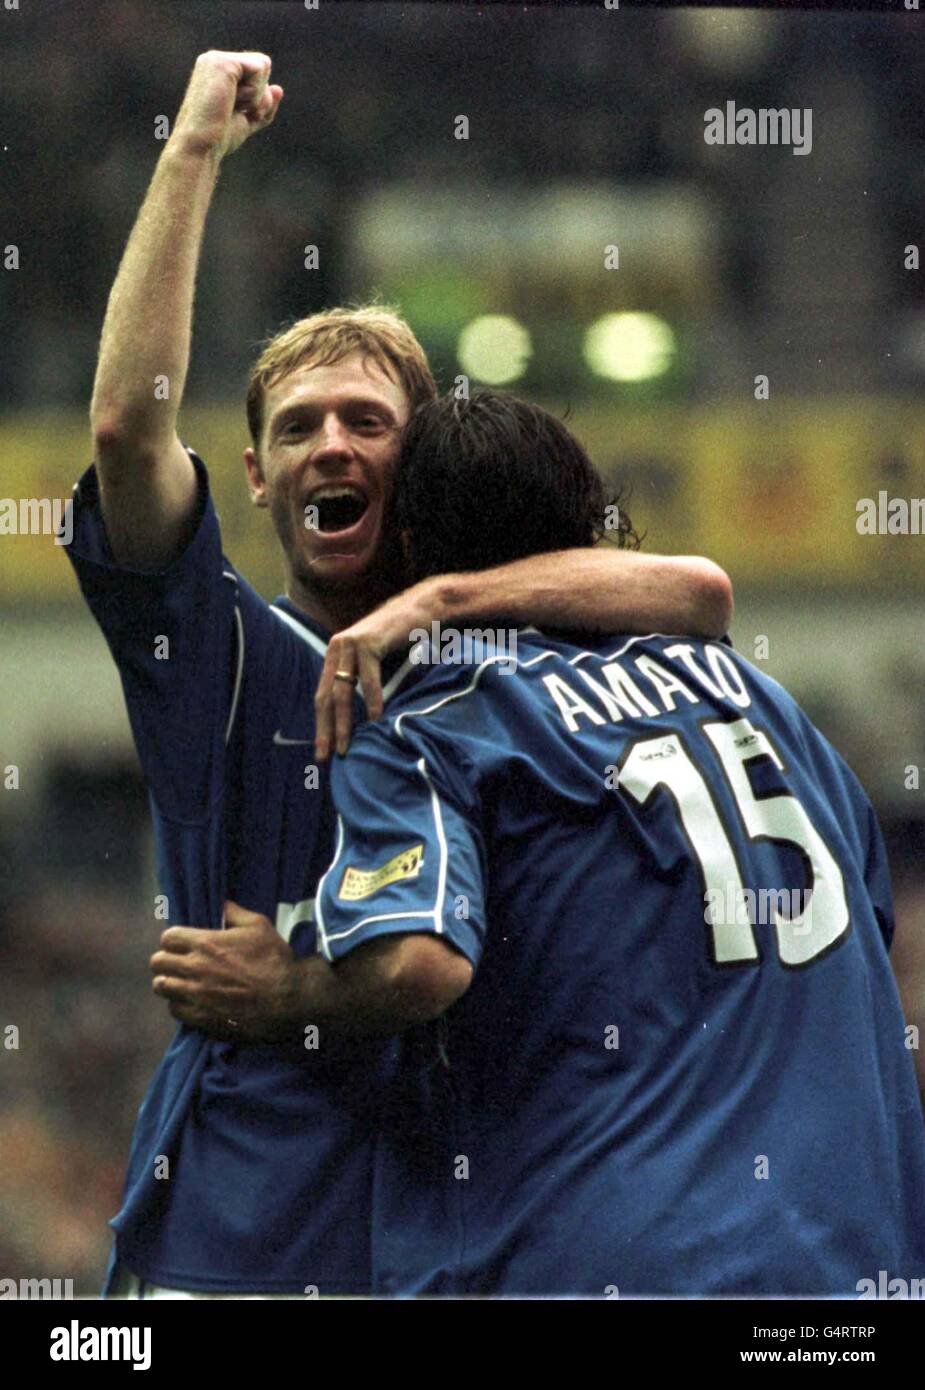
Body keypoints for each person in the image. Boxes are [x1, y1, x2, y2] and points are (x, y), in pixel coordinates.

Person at [68, 50, 733, 1298]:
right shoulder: (219, 658)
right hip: (249, 1233)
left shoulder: (494, 661)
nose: (332, 443)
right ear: (255, 478)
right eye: (298, 426)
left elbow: (696, 593)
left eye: (367, 423)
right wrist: (193, 149)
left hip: (472, 1221)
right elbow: (124, 431)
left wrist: (439, 599)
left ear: (415, 466)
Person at [228, 388, 921, 1296]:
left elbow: (416, 966)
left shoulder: (433, 726)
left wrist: (284, 993)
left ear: (407, 550)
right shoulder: (768, 705)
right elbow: (867, 926)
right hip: (851, 1275)